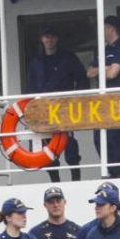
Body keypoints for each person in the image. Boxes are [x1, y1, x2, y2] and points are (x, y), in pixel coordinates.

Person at [28, 25, 88, 182]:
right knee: (48, 146)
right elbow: (30, 87)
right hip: (44, 109)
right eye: (46, 37)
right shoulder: (37, 61)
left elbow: (82, 79)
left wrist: (78, 100)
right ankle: (55, 181)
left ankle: (76, 178)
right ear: (42, 39)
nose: (49, 40)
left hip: (65, 107)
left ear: (57, 39)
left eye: (52, 36)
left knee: (69, 144)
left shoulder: (68, 58)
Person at [87, 17, 120, 178]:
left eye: (103, 28)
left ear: (111, 28)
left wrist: (104, 69)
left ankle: (119, 173)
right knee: (98, 136)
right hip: (102, 101)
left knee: (115, 136)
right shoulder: (102, 49)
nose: (101, 32)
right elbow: (89, 72)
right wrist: (106, 68)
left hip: (118, 99)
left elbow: (113, 74)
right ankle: (108, 170)